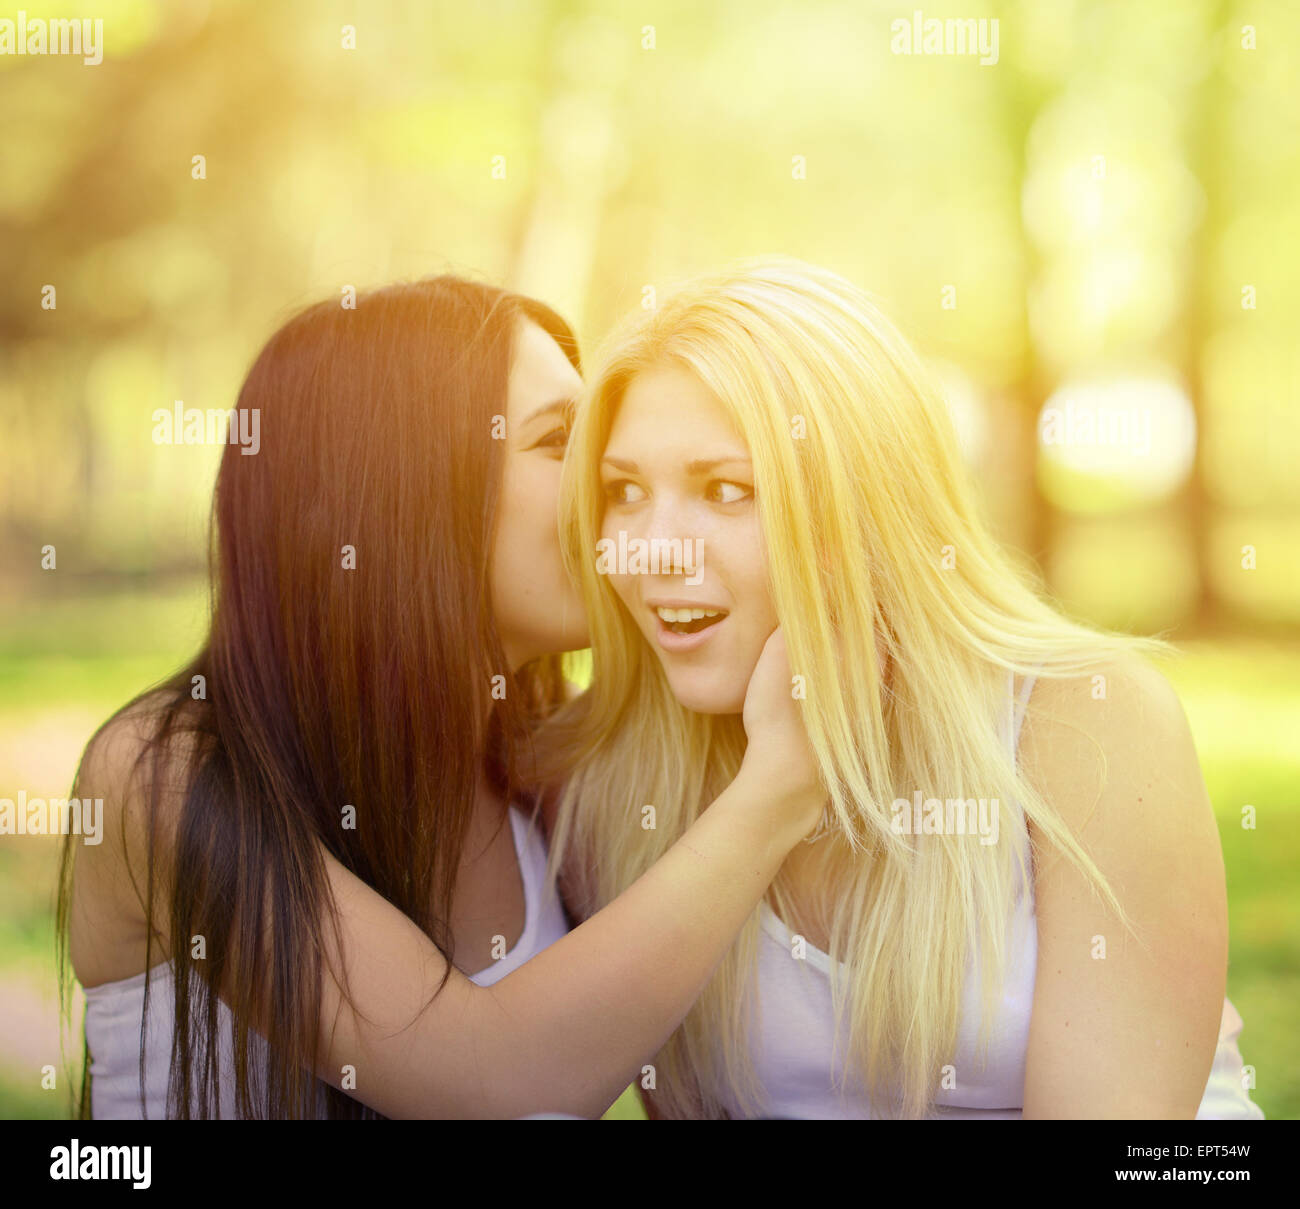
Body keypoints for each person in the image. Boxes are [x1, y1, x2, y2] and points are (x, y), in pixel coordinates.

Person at [57, 275, 827, 1119]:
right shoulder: (165, 776)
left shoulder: (545, 763)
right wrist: (776, 789)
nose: (602, 481)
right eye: (556, 440)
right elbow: (488, 1076)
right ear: (401, 491)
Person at [543, 255, 1266, 1120]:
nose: (654, 549)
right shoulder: (609, 785)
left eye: (726, 489)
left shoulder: (1088, 722)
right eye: (624, 491)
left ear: (860, 504)